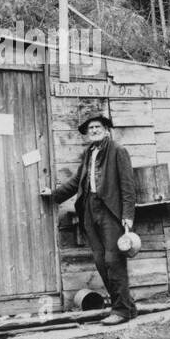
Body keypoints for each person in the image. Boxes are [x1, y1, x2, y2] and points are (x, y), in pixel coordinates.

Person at [44, 108, 138, 324]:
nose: (94, 130)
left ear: (106, 130)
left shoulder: (117, 151)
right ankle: (127, 307)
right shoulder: (88, 153)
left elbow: (128, 186)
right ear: (87, 133)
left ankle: (121, 311)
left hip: (110, 212)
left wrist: (127, 215)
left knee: (113, 260)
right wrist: (54, 195)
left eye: (98, 127)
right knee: (100, 261)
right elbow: (78, 182)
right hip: (89, 210)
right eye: (90, 128)